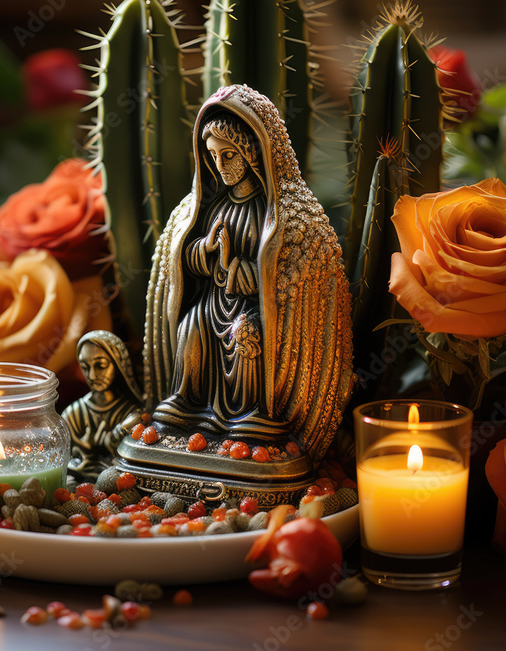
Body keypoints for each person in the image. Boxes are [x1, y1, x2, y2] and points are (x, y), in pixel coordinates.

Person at [144, 84, 354, 465]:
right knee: (191, 324)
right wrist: (205, 253)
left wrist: (235, 266)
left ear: (251, 152)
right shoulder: (210, 207)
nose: (221, 166)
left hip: (252, 308)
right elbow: (188, 262)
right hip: (213, 302)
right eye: (213, 157)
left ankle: (247, 414)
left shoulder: (278, 213)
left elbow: (279, 281)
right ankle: (187, 405)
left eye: (229, 155)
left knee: (246, 335)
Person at [63, 330, 142, 479]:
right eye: (85, 367)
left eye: (101, 365)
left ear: (118, 365)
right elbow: (64, 461)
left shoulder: (129, 413)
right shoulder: (73, 413)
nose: (92, 376)